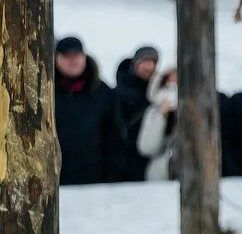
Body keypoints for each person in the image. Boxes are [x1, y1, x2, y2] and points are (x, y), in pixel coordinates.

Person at [54, 35, 125, 186]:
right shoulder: (44, 93)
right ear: (56, 58)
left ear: (84, 57)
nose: (73, 60)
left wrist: (113, 177)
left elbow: (115, 137)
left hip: (95, 181)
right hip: (54, 180)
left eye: (76, 55)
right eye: (67, 56)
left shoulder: (104, 93)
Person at [112, 45, 158, 181]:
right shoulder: (117, 94)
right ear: (135, 64)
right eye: (145, 61)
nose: (149, 66)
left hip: (149, 157)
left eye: (153, 62)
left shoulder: (158, 94)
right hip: (123, 158)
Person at [136, 67, 178, 181]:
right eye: (167, 82)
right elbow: (146, 148)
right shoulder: (153, 112)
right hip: (159, 176)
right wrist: (161, 117)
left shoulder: (196, 111)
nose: (172, 85)